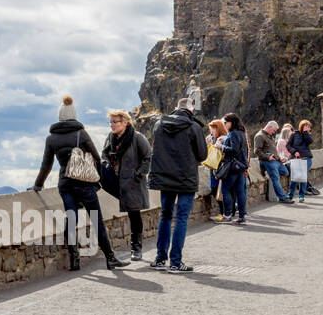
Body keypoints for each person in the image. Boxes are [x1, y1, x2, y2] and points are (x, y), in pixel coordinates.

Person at [33, 96, 128, 271]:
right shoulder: (80, 134)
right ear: (74, 115)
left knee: (71, 220)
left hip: (65, 185)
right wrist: (97, 181)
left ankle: (74, 260)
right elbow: (97, 159)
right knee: (96, 220)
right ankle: (110, 258)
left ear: (60, 116)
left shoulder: (51, 138)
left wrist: (38, 185)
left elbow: (46, 165)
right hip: (84, 184)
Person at [147, 97, 207, 272]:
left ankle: (160, 259)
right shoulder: (194, 127)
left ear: (175, 108)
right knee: (181, 217)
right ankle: (175, 262)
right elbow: (202, 155)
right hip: (186, 178)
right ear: (191, 110)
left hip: (165, 178)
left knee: (165, 216)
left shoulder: (159, 125)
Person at [100, 109, 152, 262]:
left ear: (125, 122)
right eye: (110, 122)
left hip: (132, 182)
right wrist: (106, 164)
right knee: (131, 211)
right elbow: (104, 154)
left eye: (115, 122)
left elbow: (147, 157)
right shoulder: (111, 138)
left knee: (134, 214)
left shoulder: (137, 138)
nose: (112, 125)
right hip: (116, 182)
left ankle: (136, 249)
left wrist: (138, 175)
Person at [217, 112, 250, 224]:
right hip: (240, 166)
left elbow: (233, 150)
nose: (224, 125)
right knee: (240, 192)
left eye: (225, 123)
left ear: (231, 122)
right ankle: (241, 216)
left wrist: (221, 146)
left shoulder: (233, 133)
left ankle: (227, 215)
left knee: (225, 190)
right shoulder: (241, 132)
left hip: (232, 167)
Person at [255, 121, 293, 204]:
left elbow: (273, 150)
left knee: (285, 172)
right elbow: (257, 151)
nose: (274, 132)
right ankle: (282, 198)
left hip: (276, 160)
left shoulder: (270, 135)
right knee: (275, 178)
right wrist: (267, 157)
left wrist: (279, 159)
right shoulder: (259, 136)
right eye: (274, 130)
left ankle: (267, 172)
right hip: (268, 161)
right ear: (270, 127)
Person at [287, 120, 315, 200]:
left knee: (303, 176)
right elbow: (288, 145)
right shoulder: (294, 134)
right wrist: (294, 151)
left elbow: (310, 142)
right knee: (294, 177)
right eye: (306, 126)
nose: (308, 128)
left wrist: (305, 133)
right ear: (301, 126)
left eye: (309, 126)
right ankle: (290, 194)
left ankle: (302, 195)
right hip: (296, 158)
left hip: (306, 158)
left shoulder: (308, 135)